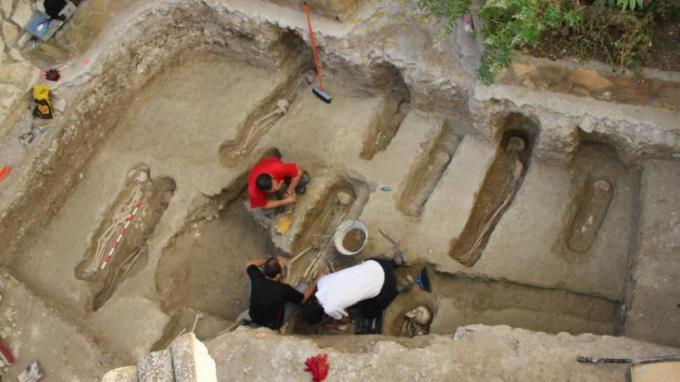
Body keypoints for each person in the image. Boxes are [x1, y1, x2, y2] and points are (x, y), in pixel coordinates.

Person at [302, 257, 400, 326]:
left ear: (323, 315)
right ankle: (393, 262)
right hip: (377, 263)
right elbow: (313, 285)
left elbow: (346, 319)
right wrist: (303, 299)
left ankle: (398, 289)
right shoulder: (321, 282)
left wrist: (333, 321)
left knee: (370, 313)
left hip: (387, 283)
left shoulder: (330, 309)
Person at [241, 256, 316, 330]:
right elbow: (303, 299)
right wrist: (316, 283)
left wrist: (273, 260)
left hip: (254, 317)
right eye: (283, 268)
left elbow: (250, 264)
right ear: (278, 275)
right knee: (304, 287)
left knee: (255, 274)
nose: (284, 268)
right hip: (271, 325)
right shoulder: (283, 289)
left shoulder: (257, 278)